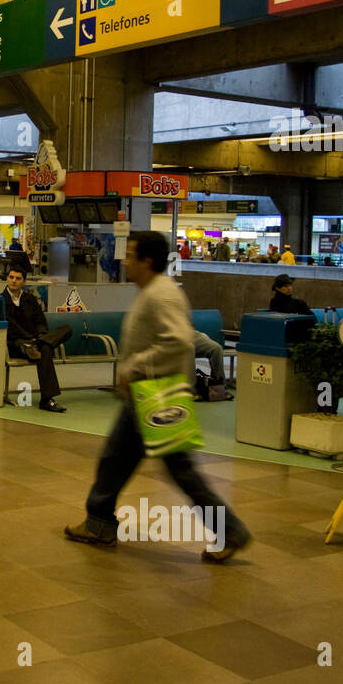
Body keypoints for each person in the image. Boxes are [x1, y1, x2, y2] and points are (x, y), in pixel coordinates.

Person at [64, 230, 252, 560]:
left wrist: (134, 366)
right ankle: (99, 522)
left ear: (146, 261)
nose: (125, 261)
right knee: (115, 462)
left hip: (155, 396)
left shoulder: (161, 294)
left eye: (131, 255)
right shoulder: (153, 290)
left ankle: (230, 531)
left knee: (176, 470)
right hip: (145, 395)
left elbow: (178, 341)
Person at [3, 269, 72, 413]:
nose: (13, 280)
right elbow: (9, 326)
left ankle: (38, 344)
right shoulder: (0, 300)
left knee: (66, 329)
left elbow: (40, 321)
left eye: (17, 278)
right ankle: (47, 400)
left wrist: (40, 335)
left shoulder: (31, 299)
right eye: (11, 277)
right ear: (7, 279)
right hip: (16, 343)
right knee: (45, 349)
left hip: (35, 341)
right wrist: (29, 337)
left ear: (24, 281)